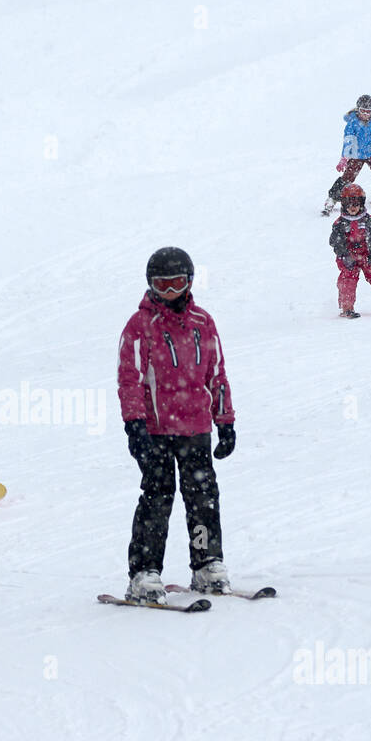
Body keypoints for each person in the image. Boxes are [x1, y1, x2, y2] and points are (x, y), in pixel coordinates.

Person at [117, 247, 236, 603]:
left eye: (177, 283)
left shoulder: (202, 322)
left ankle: (206, 563)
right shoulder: (140, 326)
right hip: (155, 431)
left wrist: (224, 420)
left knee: (203, 498)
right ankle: (144, 572)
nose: (170, 292)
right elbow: (130, 379)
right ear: (151, 285)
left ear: (190, 282)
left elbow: (216, 374)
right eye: (162, 285)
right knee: (156, 499)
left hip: (196, 428)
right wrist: (134, 424)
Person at [322, 94, 371, 214]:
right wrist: (344, 158)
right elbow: (348, 141)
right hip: (357, 154)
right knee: (348, 176)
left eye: (368, 111)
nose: (365, 114)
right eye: (362, 111)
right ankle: (332, 198)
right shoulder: (352, 122)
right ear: (358, 110)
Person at [330, 183, 371, 318]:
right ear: (343, 204)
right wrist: (344, 255)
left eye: (356, 203)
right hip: (349, 256)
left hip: (368, 254)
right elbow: (336, 241)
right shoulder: (339, 224)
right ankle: (347, 307)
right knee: (347, 278)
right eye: (349, 203)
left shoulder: (370, 221)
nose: (353, 207)